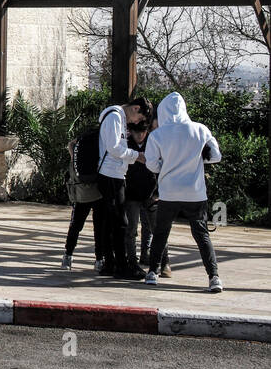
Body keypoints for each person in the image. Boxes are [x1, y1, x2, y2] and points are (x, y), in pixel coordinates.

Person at [143, 92, 222, 292]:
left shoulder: (158, 134)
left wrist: (166, 165)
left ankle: (152, 273)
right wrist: (196, 160)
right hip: (195, 192)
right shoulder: (200, 129)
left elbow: (152, 165)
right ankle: (214, 277)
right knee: (201, 235)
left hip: (169, 192)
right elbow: (215, 156)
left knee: (161, 232)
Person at [95, 96, 152, 279]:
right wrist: (137, 156)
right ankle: (120, 265)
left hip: (114, 173)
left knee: (112, 222)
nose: (137, 123)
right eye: (140, 118)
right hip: (110, 173)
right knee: (120, 223)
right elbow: (114, 148)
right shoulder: (115, 117)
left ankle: (110, 263)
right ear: (135, 108)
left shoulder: (116, 116)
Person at [124, 116, 171, 278]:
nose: (140, 135)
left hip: (151, 191)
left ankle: (164, 262)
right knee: (131, 230)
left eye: (142, 132)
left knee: (157, 229)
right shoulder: (126, 143)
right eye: (136, 132)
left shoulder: (154, 141)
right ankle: (132, 261)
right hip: (131, 193)